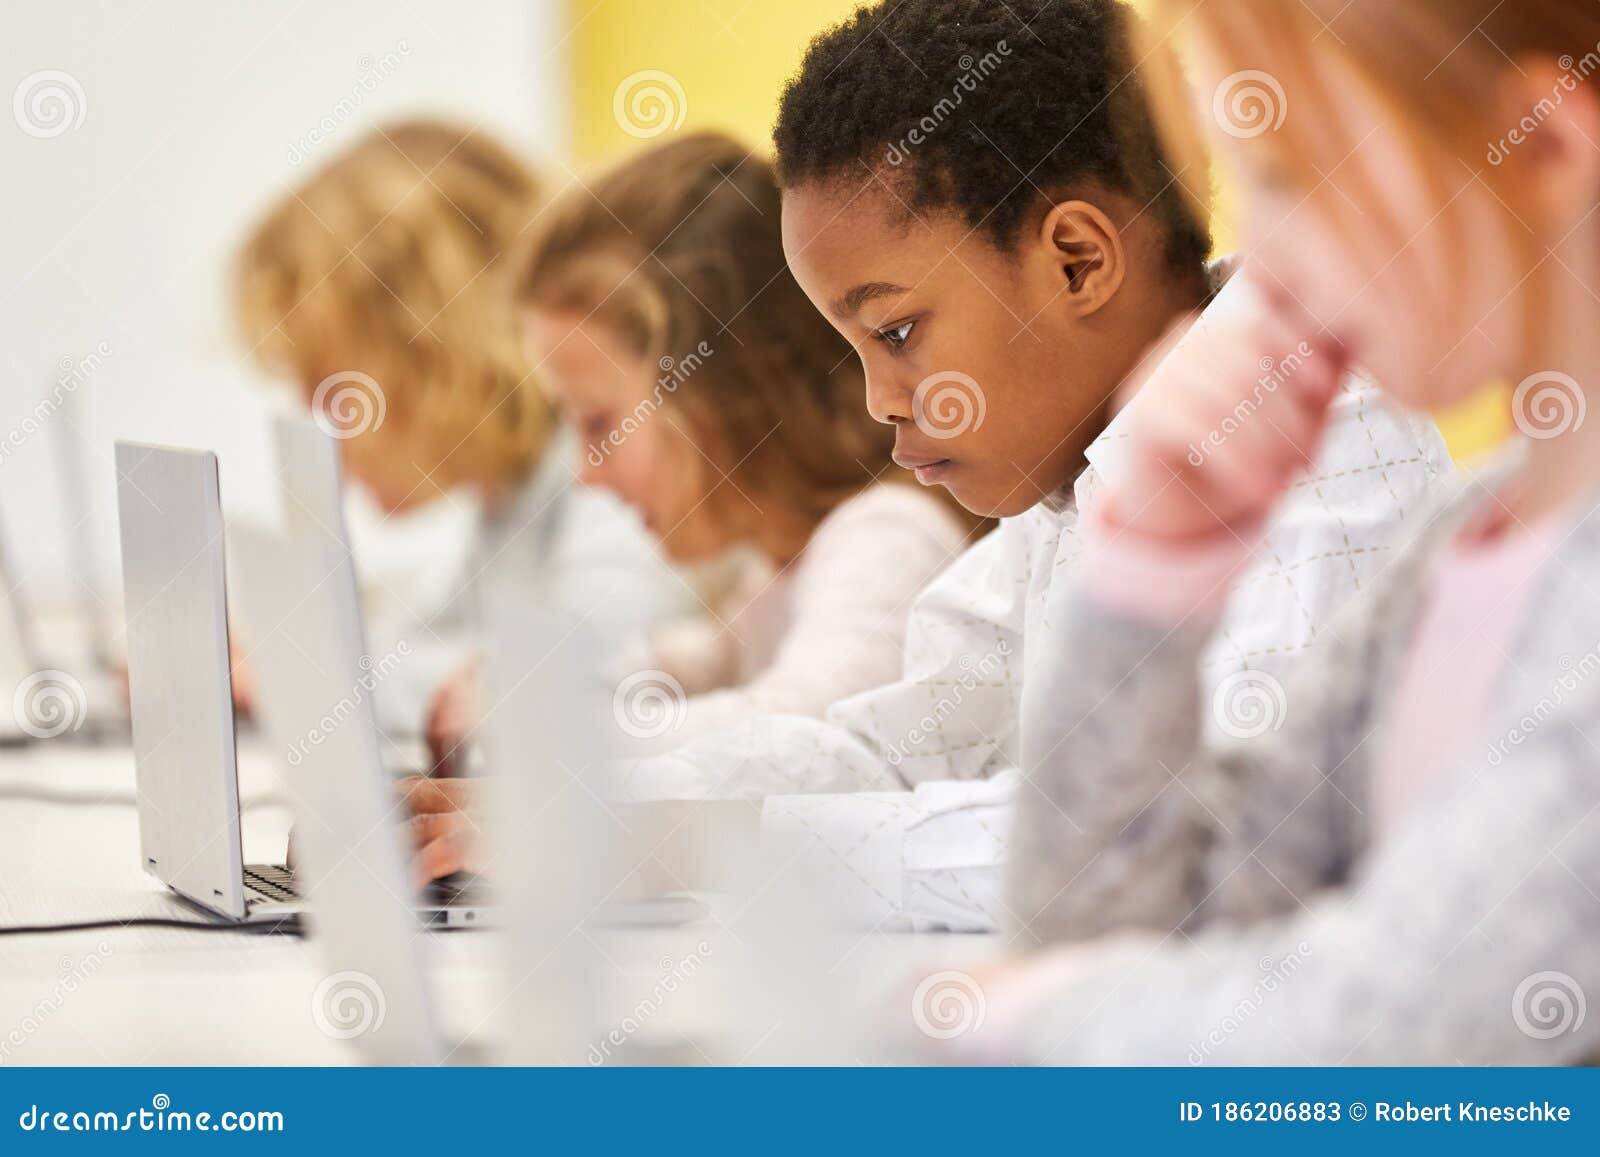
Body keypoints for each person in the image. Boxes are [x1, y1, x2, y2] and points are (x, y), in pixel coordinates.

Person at [405, 0, 1447, 917]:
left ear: (1076, 261)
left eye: (896, 333)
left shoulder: (1319, 440)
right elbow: (892, 752)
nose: (877, 400)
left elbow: (1185, 849)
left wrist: (688, 843)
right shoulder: (1073, 487)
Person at [976, 0, 1600, 1064]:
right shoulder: (1453, 549)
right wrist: (1147, 572)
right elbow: (1119, 940)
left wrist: (1012, 1021)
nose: (1256, 254)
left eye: (1287, 177)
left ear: (1540, 151)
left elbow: (1396, 1029)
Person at [232, 119, 685, 739]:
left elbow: (572, 673)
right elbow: (430, 639)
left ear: (428, 354)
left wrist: (305, 679)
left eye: (333, 386)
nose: (323, 422)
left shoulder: (614, 461)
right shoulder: (509, 495)